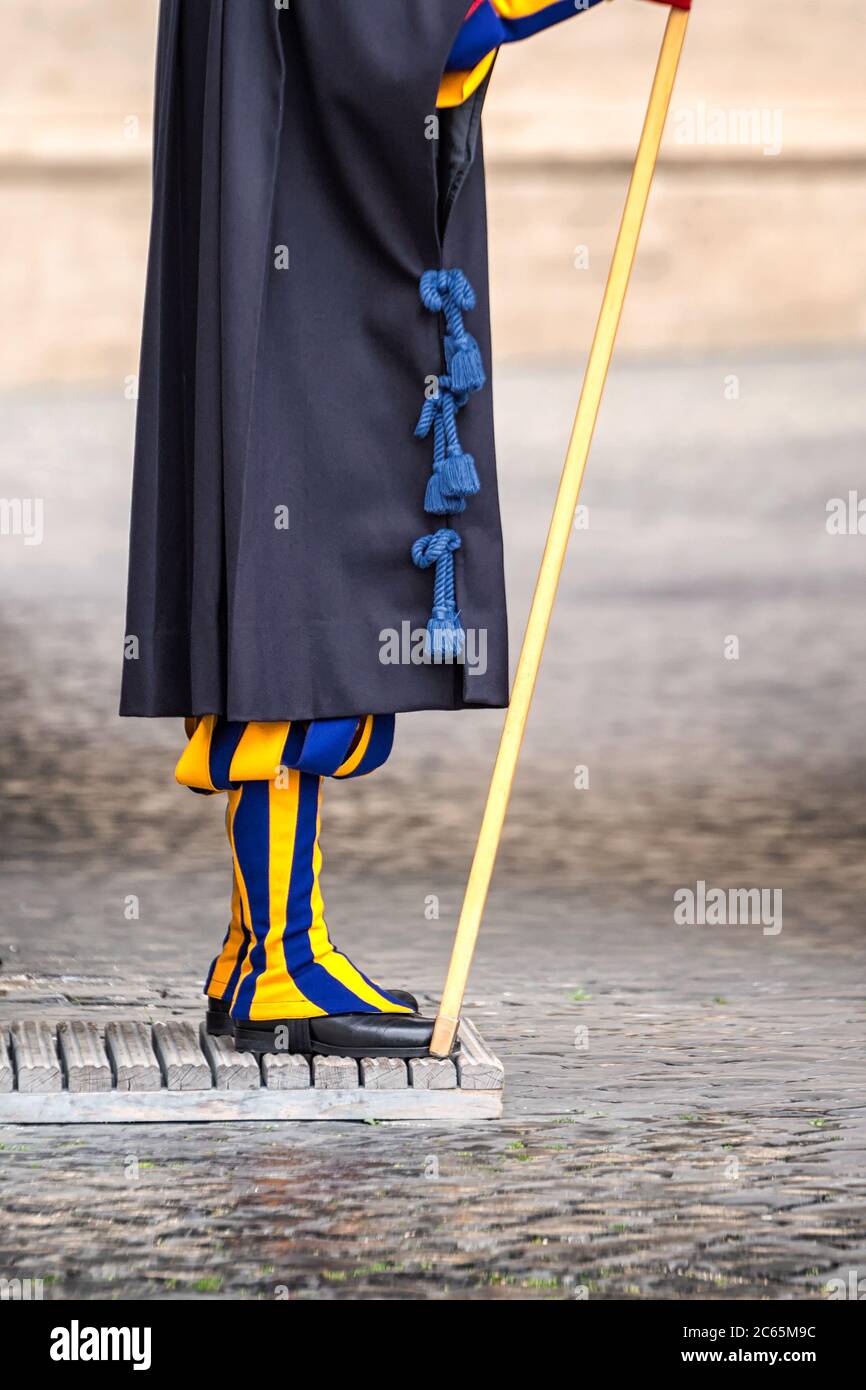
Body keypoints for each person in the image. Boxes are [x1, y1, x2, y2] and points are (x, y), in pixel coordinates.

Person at [121, 0, 681, 1058]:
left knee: (303, 617)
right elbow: (427, 34)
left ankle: (264, 947)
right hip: (311, 273)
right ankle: (276, 963)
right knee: (300, 626)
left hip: (293, 247)